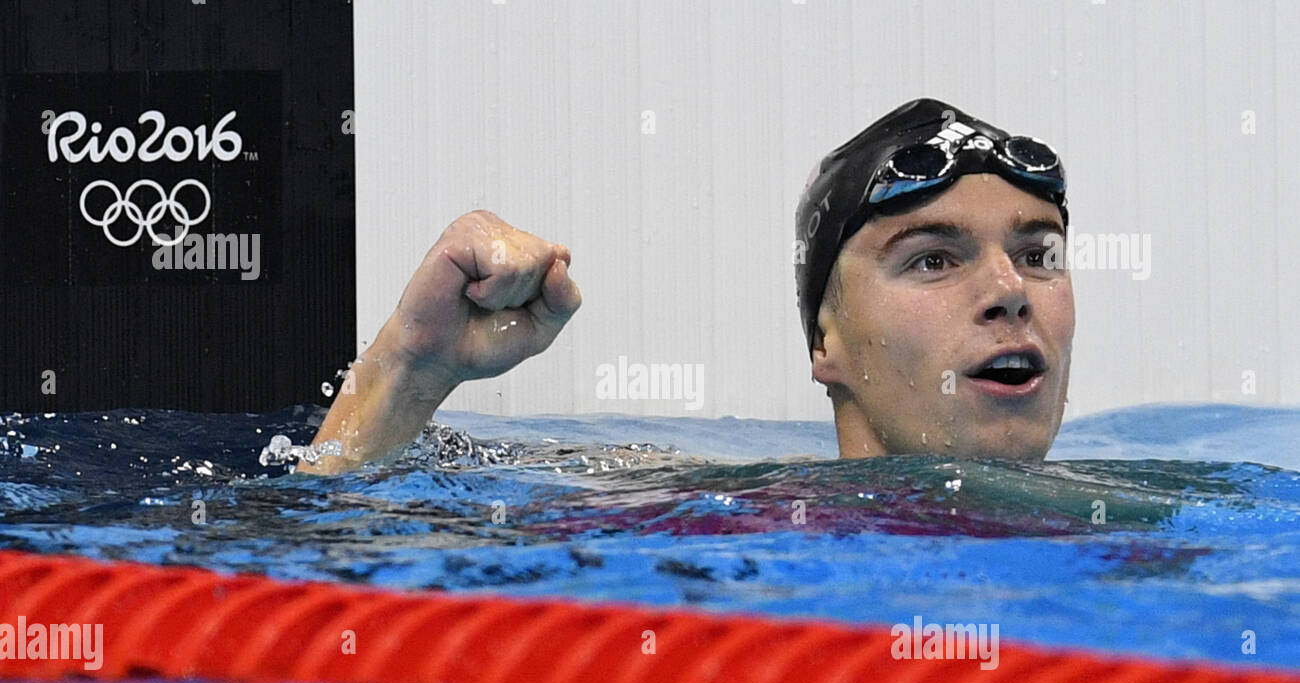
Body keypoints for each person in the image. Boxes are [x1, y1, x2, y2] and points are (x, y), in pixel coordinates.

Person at [298, 98, 1073, 475]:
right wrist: (412, 369)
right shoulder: (715, 521)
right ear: (824, 340)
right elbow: (309, 561)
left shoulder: (1159, 523)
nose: (1011, 291)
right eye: (933, 258)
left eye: (1038, 254)